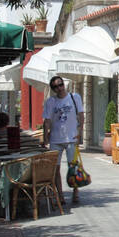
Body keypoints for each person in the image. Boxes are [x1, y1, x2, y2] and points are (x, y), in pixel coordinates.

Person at [42, 75, 84, 207]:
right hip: (56, 138)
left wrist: (80, 132)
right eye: (55, 87)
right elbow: (47, 121)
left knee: (73, 167)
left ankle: (75, 192)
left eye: (60, 85)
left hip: (71, 137)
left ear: (63, 84)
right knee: (56, 168)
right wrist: (45, 137)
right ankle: (60, 195)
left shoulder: (74, 97)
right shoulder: (50, 102)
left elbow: (81, 115)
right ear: (53, 89)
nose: (59, 88)